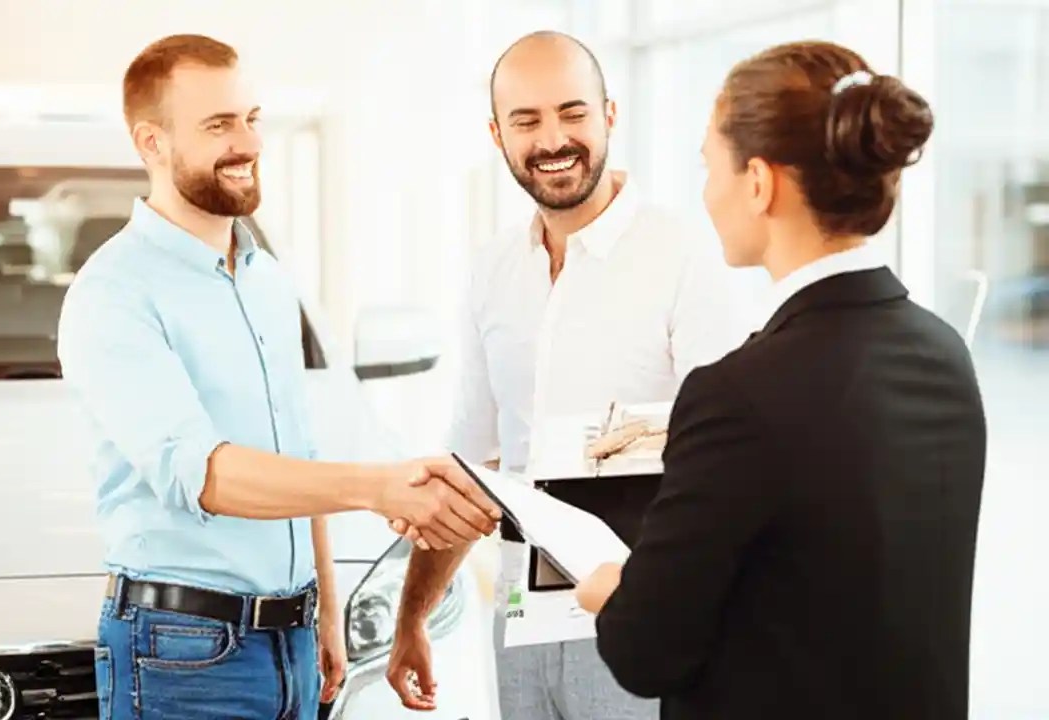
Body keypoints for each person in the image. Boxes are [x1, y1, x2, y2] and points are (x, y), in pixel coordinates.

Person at [56, 34, 501, 720]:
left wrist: (321, 603)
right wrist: (379, 486)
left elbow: (298, 452)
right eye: (218, 125)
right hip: (183, 654)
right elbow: (204, 473)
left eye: (252, 118)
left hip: (289, 643)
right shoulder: (113, 292)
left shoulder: (265, 279)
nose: (248, 142)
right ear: (151, 143)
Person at [573, 40, 987, 720]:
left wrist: (610, 591)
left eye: (710, 166)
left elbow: (643, 652)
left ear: (759, 182)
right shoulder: (946, 354)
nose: (706, 193)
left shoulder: (737, 395)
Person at [384, 31, 750, 720]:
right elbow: (474, 462)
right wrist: (414, 619)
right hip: (522, 623)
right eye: (526, 120)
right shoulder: (491, 271)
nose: (553, 138)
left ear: (610, 115)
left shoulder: (682, 256)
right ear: (497, 135)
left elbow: (733, 462)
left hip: (643, 624)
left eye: (572, 113)